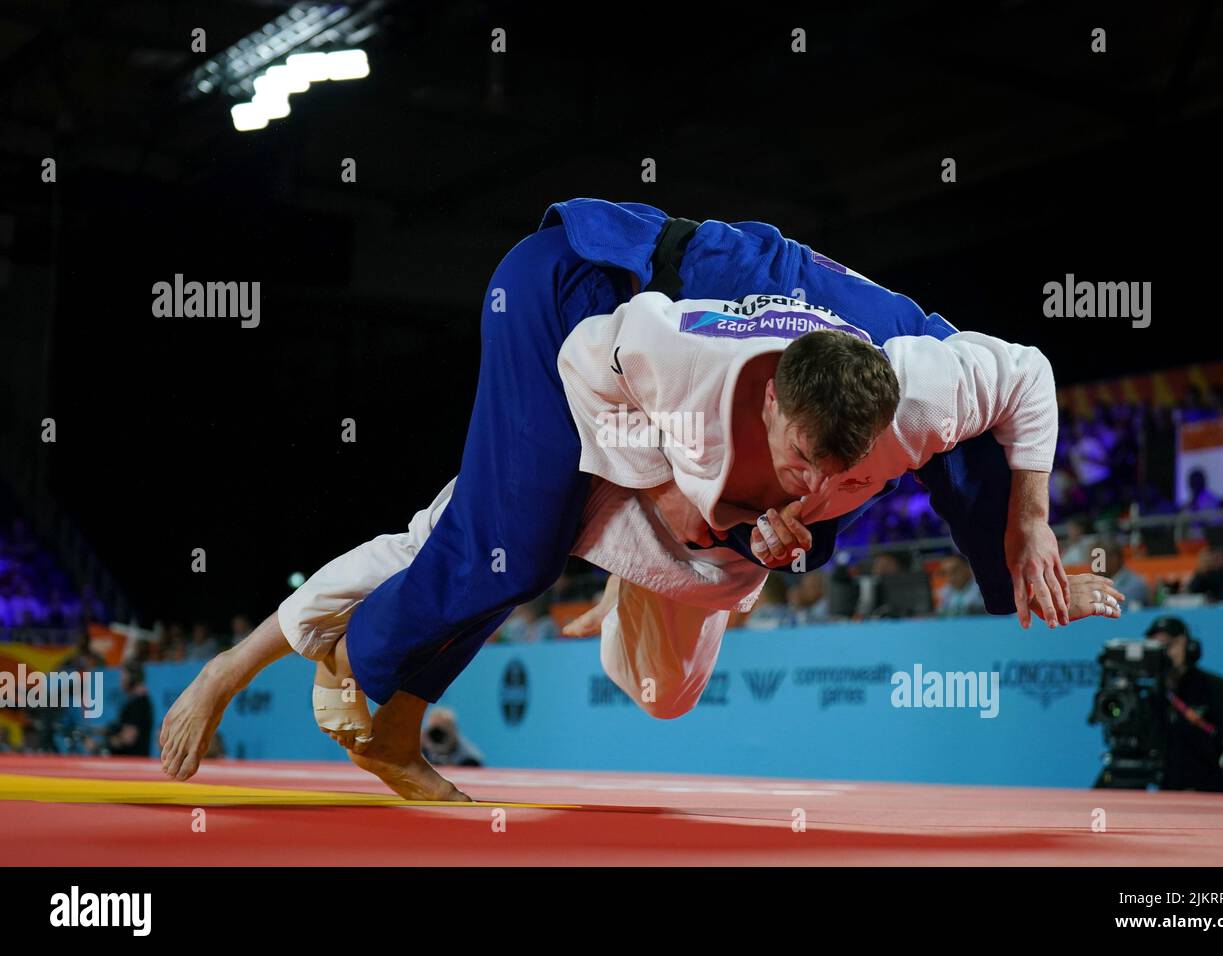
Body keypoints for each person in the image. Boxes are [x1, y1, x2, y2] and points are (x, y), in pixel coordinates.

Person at [158, 203, 1112, 794]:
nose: (820, 491)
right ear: (775, 402)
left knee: (667, 688)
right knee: (507, 539)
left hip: (733, 419)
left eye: (842, 478)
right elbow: (588, 366)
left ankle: (615, 567)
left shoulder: (923, 391)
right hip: (577, 303)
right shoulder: (684, 358)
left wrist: (1029, 529)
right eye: (806, 468)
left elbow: (1025, 375)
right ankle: (296, 680)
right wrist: (629, 489)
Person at [1145, 617, 1223, 794]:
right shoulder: (1152, 694)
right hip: (1171, 802)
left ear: (1190, 647)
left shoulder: (1219, 689)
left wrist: (1207, 794)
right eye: (1156, 647)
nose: (1164, 654)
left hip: (1221, 802)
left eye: (1169, 646)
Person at [106, 661, 153, 757]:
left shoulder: (139, 704)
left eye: (123, 676)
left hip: (131, 765)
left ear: (133, 677)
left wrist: (102, 744)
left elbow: (128, 738)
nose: (120, 680)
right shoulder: (139, 702)